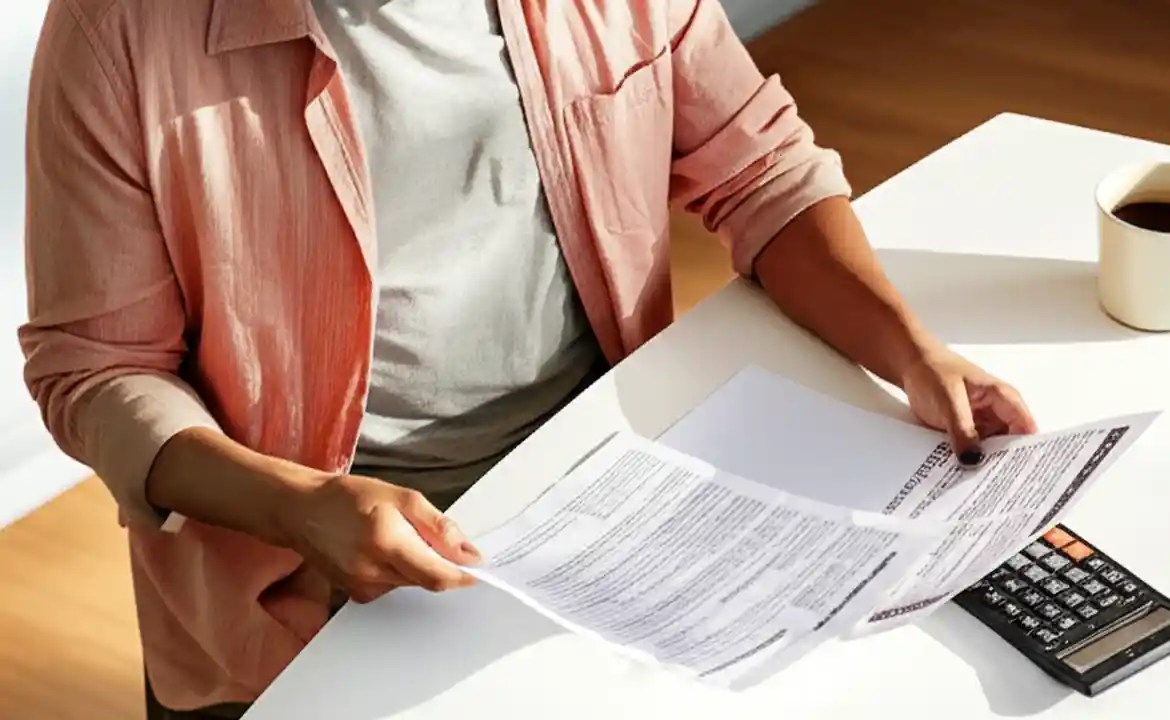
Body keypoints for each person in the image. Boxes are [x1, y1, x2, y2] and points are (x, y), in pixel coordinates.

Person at [20, 0, 1036, 717]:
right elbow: (98, 368)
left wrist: (905, 351)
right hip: (287, 584)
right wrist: (294, 504)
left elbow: (760, 171)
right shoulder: (121, 28)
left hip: (597, 512)